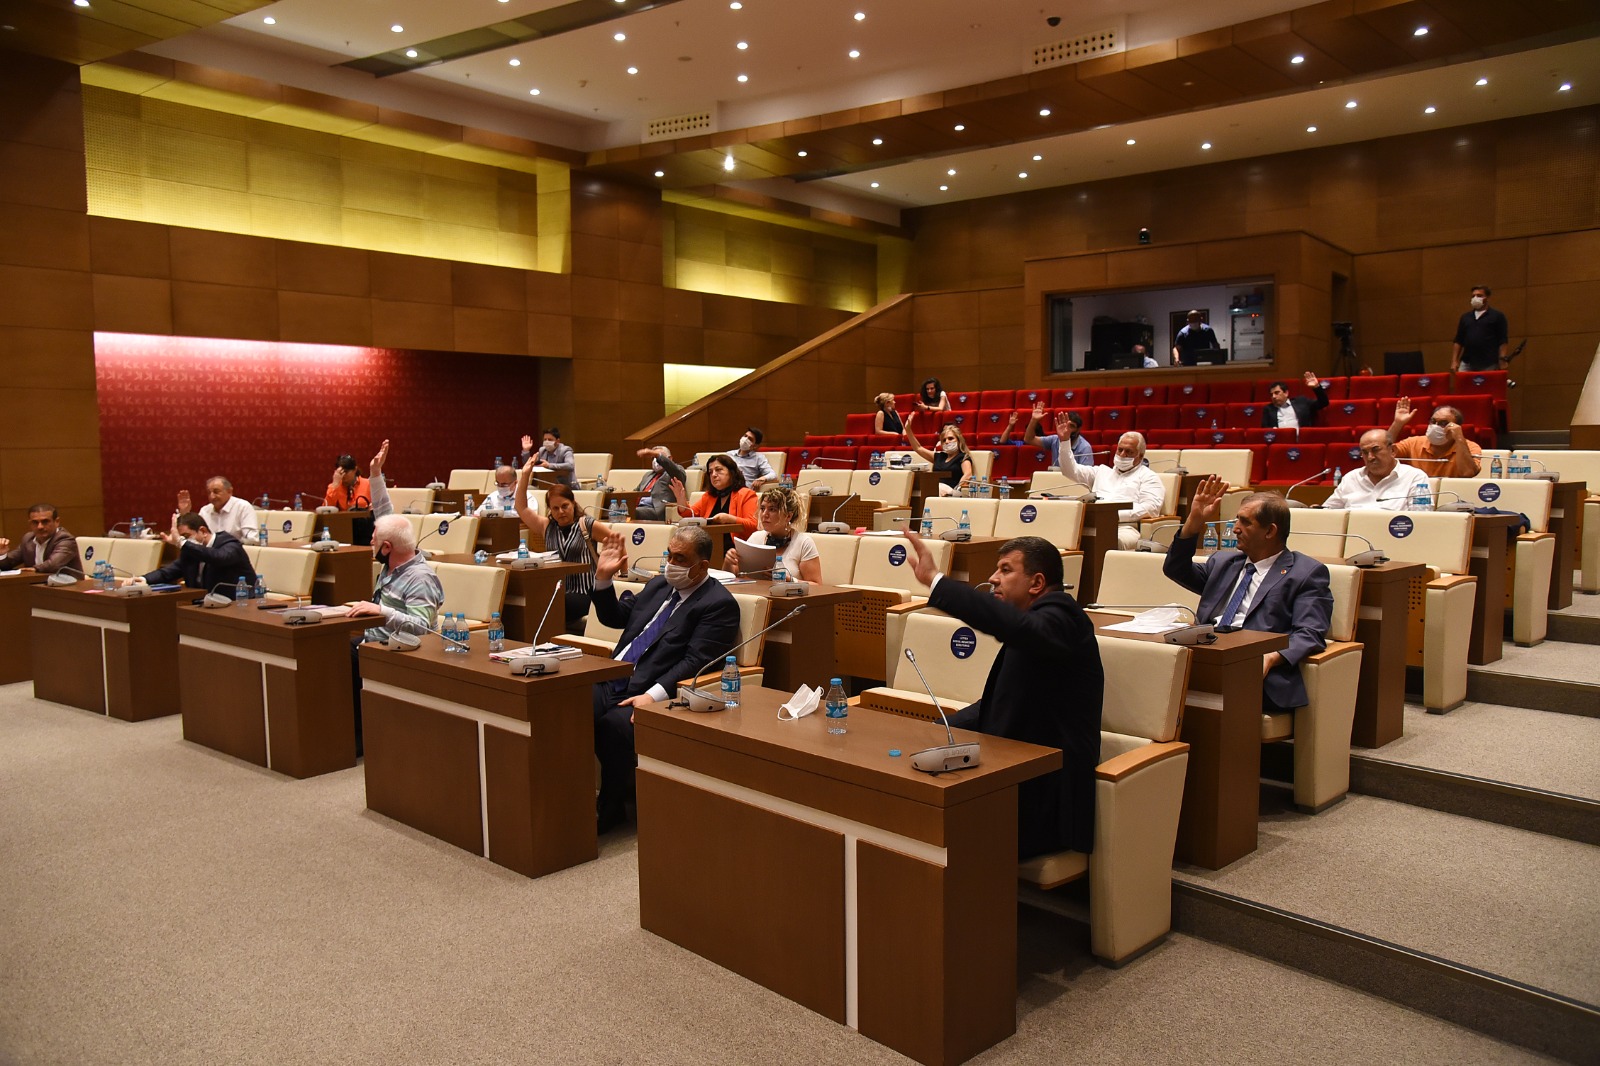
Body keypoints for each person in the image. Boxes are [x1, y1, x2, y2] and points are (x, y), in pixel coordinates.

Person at [902, 530, 1102, 858]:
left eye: (1006, 570)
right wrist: (937, 731)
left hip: (1047, 796)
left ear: (1037, 583)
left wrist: (937, 582)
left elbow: (1014, 627)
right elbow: (1000, 701)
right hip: (1012, 774)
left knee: (931, 824)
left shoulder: (1063, 619)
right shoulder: (1035, 623)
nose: (993, 578)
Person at [589, 525, 740, 832]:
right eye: (669, 555)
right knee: (564, 706)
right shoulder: (659, 585)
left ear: (702, 566)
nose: (670, 563)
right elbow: (615, 617)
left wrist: (653, 695)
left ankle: (611, 809)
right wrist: (603, 579)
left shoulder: (718, 604)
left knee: (613, 726)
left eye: (680, 558)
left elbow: (696, 662)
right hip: (611, 677)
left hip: (647, 689)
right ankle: (565, 798)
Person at [1163, 479, 1332, 716]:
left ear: (1270, 531)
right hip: (1206, 655)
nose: (1235, 528)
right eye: (1236, 520)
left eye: (1245, 522)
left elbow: (1309, 632)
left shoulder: (1305, 573)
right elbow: (1175, 568)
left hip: (1252, 665)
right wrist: (1194, 522)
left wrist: (1271, 657)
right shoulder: (1223, 563)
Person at [347, 447, 445, 754]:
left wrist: (380, 610)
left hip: (403, 648)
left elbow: (422, 628)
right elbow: (384, 515)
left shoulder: (420, 578)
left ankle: (361, 735)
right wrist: (375, 475)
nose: (370, 542)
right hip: (377, 639)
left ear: (387, 547)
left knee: (344, 659)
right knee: (327, 650)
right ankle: (346, 728)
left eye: (374, 540)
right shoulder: (393, 557)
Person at [514, 462, 621, 633]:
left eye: (565, 506)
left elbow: (617, 544)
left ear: (573, 503)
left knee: (554, 605)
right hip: (560, 590)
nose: (561, 512)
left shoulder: (587, 525)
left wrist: (622, 571)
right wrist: (525, 475)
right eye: (555, 508)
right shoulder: (547, 527)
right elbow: (521, 508)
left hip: (587, 592)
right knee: (535, 601)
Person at [1057, 430, 1165, 548]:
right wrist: (1064, 442)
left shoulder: (1149, 477)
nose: (1122, 455)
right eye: (1120, 450)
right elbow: (1070, 470)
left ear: (1140, 456)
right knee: (1063, 535)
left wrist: (1112, 515)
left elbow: (1151, 508)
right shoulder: (1101, 472)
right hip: (1093, 524)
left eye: (1129, 452)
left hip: (1125, 527)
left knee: (1107, 539)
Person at [133, 512, 255, 596]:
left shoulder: (230, 544)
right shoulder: (191, 552)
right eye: (182, 538)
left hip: (239, 604)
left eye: (186, 536)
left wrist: (181, 542)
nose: (185, 541)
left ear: (203, 531)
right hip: (205, 606)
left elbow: (217, 557)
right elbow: (167, 573)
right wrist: (142, 580)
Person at [723, 485, 823, 583]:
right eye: (762, 508)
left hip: (788, 594)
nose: (764, 514)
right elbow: (736, 576)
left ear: (788, 516)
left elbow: (817, 585)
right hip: (756, 593)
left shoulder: (803, 543)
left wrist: (789, 580)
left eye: (772, 509)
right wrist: (729, 562)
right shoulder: (755, 538)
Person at [1323, 429, 1431, 510]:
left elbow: (1421, 518)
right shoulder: (1351, 478)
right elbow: (1327, 511)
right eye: (1365, 452)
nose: (1370, 457)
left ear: (1393, 450)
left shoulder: (1415, 477)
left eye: (1375, 450)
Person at [1388, 399, 1482, 479]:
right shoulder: (1413, 443)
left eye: (1443, 423)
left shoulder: (1470, 447)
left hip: (1452, 493)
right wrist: (1397, 423)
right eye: (1433, 421)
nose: (1435, 426)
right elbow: (1385, 453)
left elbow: (1467, 473)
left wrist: (1459, 438)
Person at [671, 454, 758, 535]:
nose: (714, 475)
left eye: (718, 470)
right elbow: (691, 516)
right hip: (709, 542)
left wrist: (731, 519)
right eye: (710, 472)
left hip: (734, 544)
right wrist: (681, 499)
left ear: (731, 472)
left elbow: (754, 525)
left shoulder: (746, 494)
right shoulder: (708, 496)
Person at [0, 503, 81, 576]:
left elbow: (53, 565)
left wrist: (35, 569)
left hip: (68, 585)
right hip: (36, 584)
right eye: (35, 522)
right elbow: (8, 564)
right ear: (30, 523)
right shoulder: (28, 539)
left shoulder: (65, 539)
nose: (40, 527)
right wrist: (2, 554)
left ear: (57, 522)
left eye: (45, 521)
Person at [903, 413, 973, 495]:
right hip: (934, 488)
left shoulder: (963, 457)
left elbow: (968, 474)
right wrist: (908, 430)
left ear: (959, 440)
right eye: (944, 440)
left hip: (952, 491)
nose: (947, 442)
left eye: (950, 438)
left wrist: (956, 490)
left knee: (934, 489)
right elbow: (918, 448)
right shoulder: (939, 456)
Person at [176, 477, 255, 540]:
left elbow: (252, 539)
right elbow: (195, 535)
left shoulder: (243, 507)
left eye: (216, 492)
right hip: (209, 553)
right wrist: (184, 512)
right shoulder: (205, 510)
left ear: (229, 491)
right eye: (209, 493)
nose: (212, 496)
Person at [1452, 285, 1509, 373]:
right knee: (1462, 381)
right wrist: (1454, 360)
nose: (1475, 298)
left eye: (1479, 295)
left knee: (1486, 382)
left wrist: (1502, 359)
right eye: (1473, 296)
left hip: (1489, 362)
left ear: (1487, 298)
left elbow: (1503, 340)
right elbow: (1458, 340)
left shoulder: (1497, 316)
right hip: (1467, 361)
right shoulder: (1465, 317)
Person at [1023, 400, 1093, 468]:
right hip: (1055, 476)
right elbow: (1028, 439)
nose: (1067, 429)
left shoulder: (1085, 447)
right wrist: (1034, 420)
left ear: (1078, 429)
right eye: (1065, 425)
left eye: (1071, 426)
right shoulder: (1055, 440)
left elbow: (1086, 474)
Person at [631, 446, 688, 521]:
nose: (655, 460)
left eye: (657, 457)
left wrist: (657, 455)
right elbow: (636, 492)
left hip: (657, 510)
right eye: (653, 458)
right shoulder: (648, 475)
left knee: (632, 512)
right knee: (621, 510)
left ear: (670, 458)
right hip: (640, 507)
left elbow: (673, 468)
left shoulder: (676, 472)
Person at [1261, 371, 1330, 429]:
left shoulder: (1301, 402)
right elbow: (1265, 429)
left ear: (1286, 393)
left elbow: (1324, 403)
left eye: (1277, 393)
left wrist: (1316, 387)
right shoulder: (1268, 409)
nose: (1273, 396)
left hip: (1301, 439)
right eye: (1271, 394)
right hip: (1280, 440)